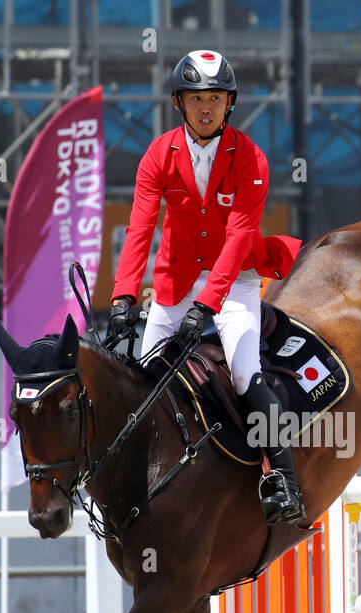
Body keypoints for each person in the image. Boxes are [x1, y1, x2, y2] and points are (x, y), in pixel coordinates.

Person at [108, 49, 306, 525]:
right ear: (178, 103)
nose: (206, 107)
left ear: (229, 103)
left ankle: (284, 478)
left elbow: (239, 238)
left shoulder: (251, 159)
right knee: (142, 377)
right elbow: (139, 230)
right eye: (196, 98)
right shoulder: (158, 155)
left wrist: (209, 303)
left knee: (244, 373)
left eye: (216, 98)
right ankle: (129, 481)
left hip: (234, 279)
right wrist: (122, 296)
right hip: (175, 281)